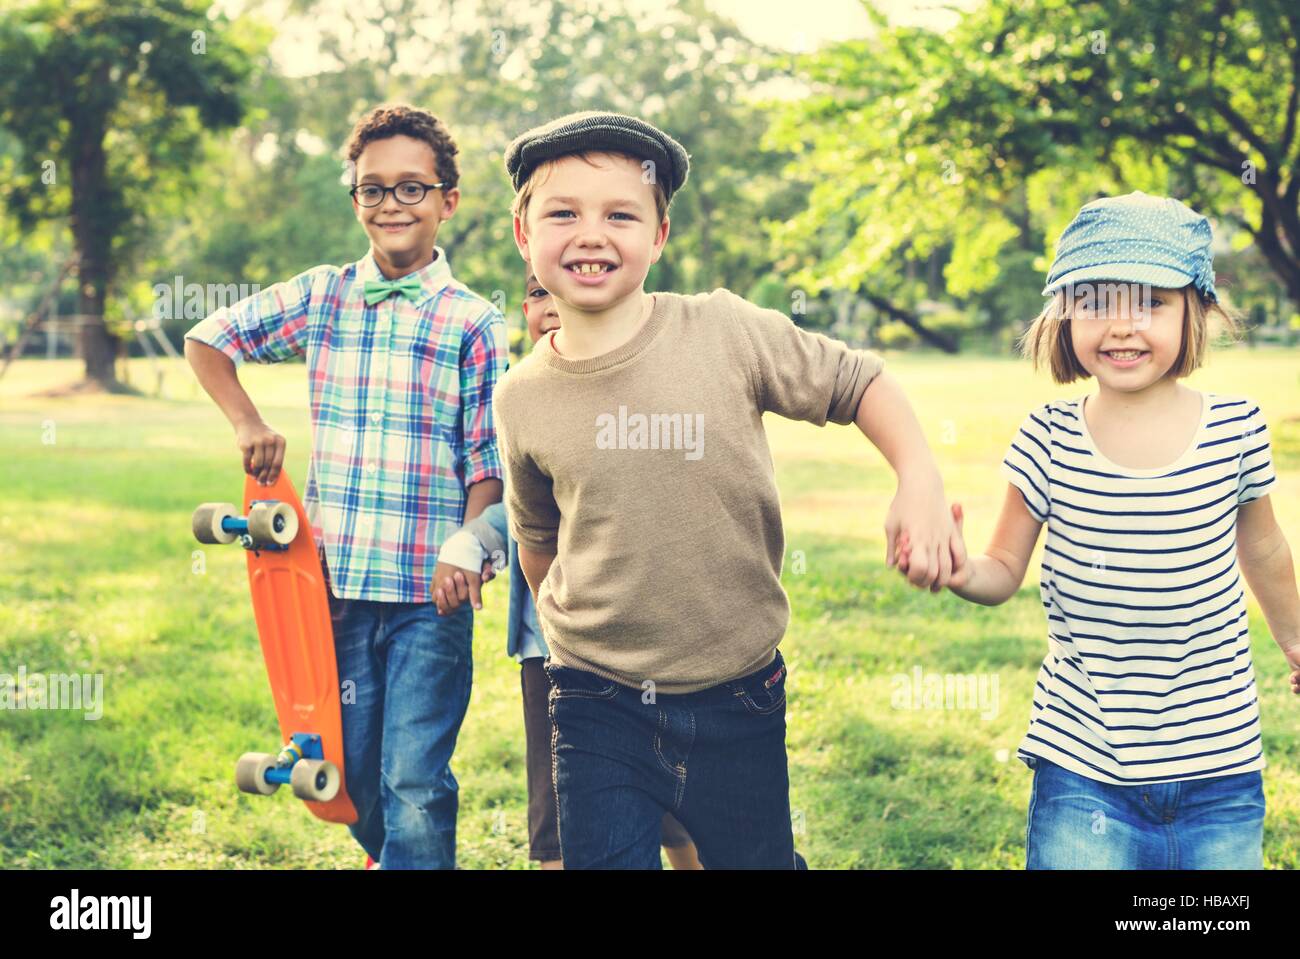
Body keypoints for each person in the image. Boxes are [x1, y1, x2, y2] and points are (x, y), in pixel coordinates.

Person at [490, 111, 962, 868]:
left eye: (620, 213)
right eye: (563, 213)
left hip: (737, 694)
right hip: (593, 697)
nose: (590, 233)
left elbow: (858, 381)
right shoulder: (520, 397)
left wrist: (920, 476)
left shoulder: (724, 330)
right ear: (523, 234)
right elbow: (539, 544)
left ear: (660, 234)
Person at [915, 192, 1300, 869]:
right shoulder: (1048, 437)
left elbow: (1262, 545)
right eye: (1096, 301)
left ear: (1195, 311)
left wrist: (1295, 636)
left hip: (1219, 766)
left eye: (1150, 301)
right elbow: (1003, 567)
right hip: (1083, 766)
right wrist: (959, 569)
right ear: (1064, 315)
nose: (1121, 326)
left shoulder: (1236, 428)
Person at [184, 104, 507, 869]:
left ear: (447, 200)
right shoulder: (323, 294)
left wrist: (468, 547)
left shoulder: (474, 321)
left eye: (411, 189)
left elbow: (487, 461)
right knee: (351, 771)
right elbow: (208, 340)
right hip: (332, 589)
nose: (390, 205)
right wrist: (245, 423)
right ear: (355, 199)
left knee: (414, 778)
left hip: (431, 597)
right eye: (372, 189)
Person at [435, 267, 703, 869]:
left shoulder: (640, 391)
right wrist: (474, 542)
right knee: (560, 816)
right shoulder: (521, 399)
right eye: (535, 293)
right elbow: (525, 511)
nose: (550, 304)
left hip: (655, 643)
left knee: (679, 807)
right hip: (553, 651)